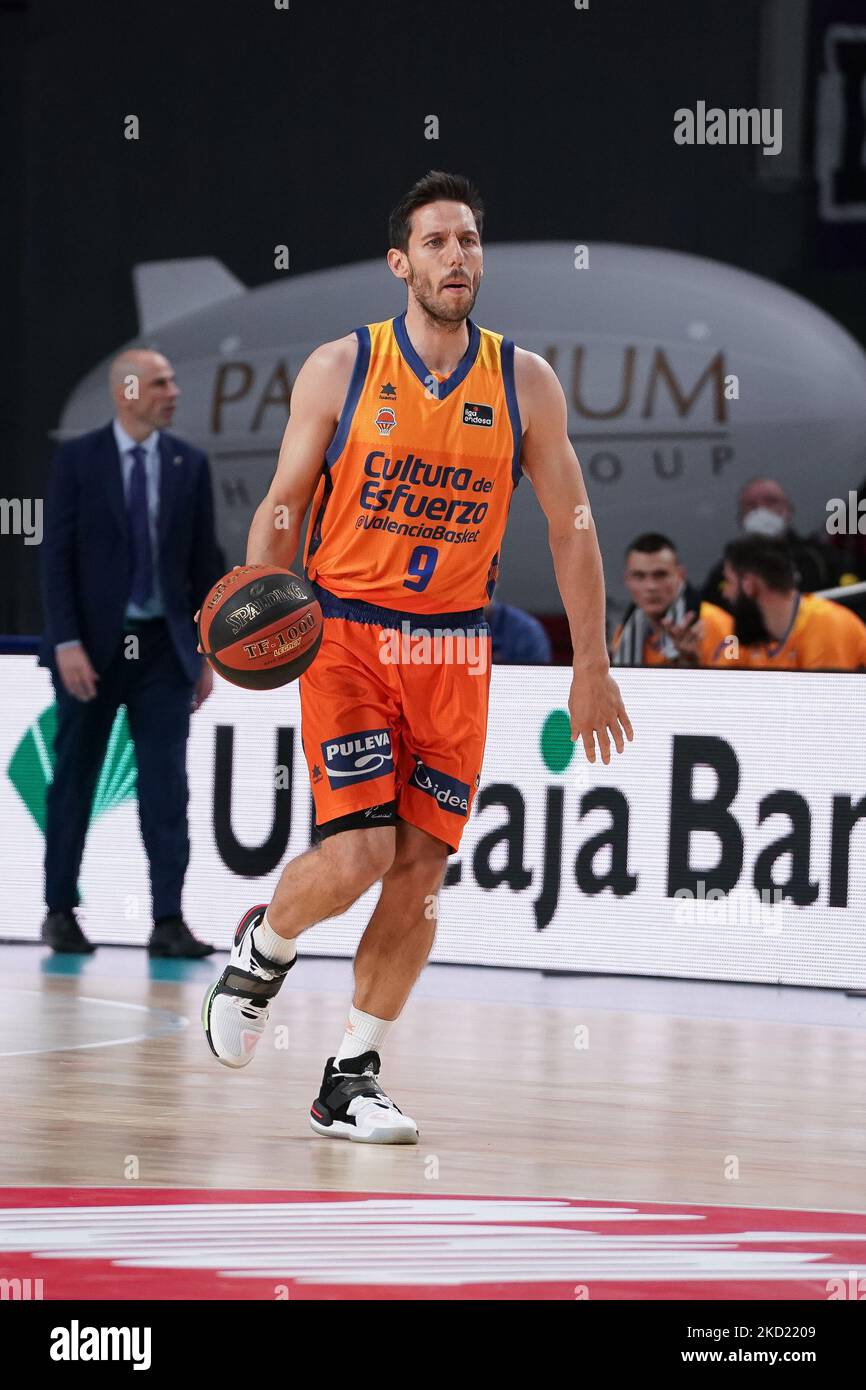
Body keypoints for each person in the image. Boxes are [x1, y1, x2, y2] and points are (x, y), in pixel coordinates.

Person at [201, 169, 633, 1142]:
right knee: (359, 850)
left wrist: (590, 662)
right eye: (436, 242)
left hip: (454, 649)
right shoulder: (339, 367)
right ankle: (263, 951)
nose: (456, 257)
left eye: (468, 241)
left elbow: (571, 525)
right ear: (399, 262)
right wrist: (260, 606)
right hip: (347, 633)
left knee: (421, 869)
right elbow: (284, 501)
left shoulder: (522, 381)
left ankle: (348, 1074)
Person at [39, 349, 220, 956]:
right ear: (129, 391)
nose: (174, 391)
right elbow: (55, 559)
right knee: (73, 780)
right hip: (89, 650)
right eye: (163, 382)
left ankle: (168, 920)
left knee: (167, 785)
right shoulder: (78, 460)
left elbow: (204, 566)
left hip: (164, 654)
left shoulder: (188, 464)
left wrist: (204, 651)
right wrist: (65, 641)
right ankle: (59, 910)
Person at [701, 536, 866, 670]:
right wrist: (692, 660)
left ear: (750, 586)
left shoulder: (826, 625)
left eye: (728, 582)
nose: (725, 593)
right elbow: (721, 692)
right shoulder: (751, 635)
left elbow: (823, 707)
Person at [701, 477, 840, 608]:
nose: (761, 509)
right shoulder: (726, 572)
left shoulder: (819, 560)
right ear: (741, 518)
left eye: (771, 501)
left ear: (788, 510)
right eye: (751, 505)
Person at [611, 532, 730, 668]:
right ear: (627, 580)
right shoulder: (625, 632)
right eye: (639, 576)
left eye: (660, 575)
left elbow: (733, 686)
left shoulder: (717, 624)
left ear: (680, 575)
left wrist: (691, 664)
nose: (651, 586)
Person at [485, 599, 553, 663]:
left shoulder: (527, 632)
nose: (475, 590)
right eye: (473, 585)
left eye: (478, 585)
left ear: (495, 585)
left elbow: (536, 674)